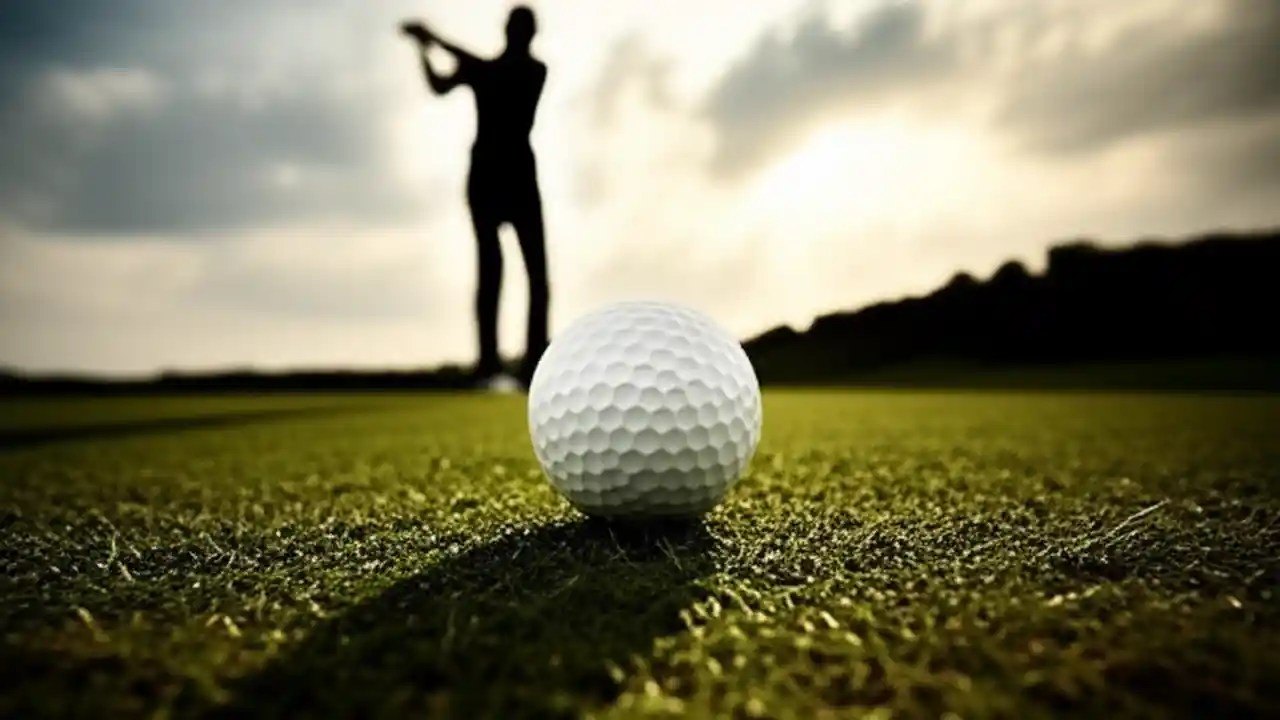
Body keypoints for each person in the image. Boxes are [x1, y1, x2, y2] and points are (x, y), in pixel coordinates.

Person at [402, 7, 549, 388]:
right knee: (491, 270)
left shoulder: (533, 71)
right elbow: (439, 86)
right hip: (488, 174)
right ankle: (488, 365)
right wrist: (423, 50)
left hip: (517, 173)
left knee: (536, 275)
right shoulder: (484, 69)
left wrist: (434, 38)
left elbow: (484, 70)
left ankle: (534, 365)